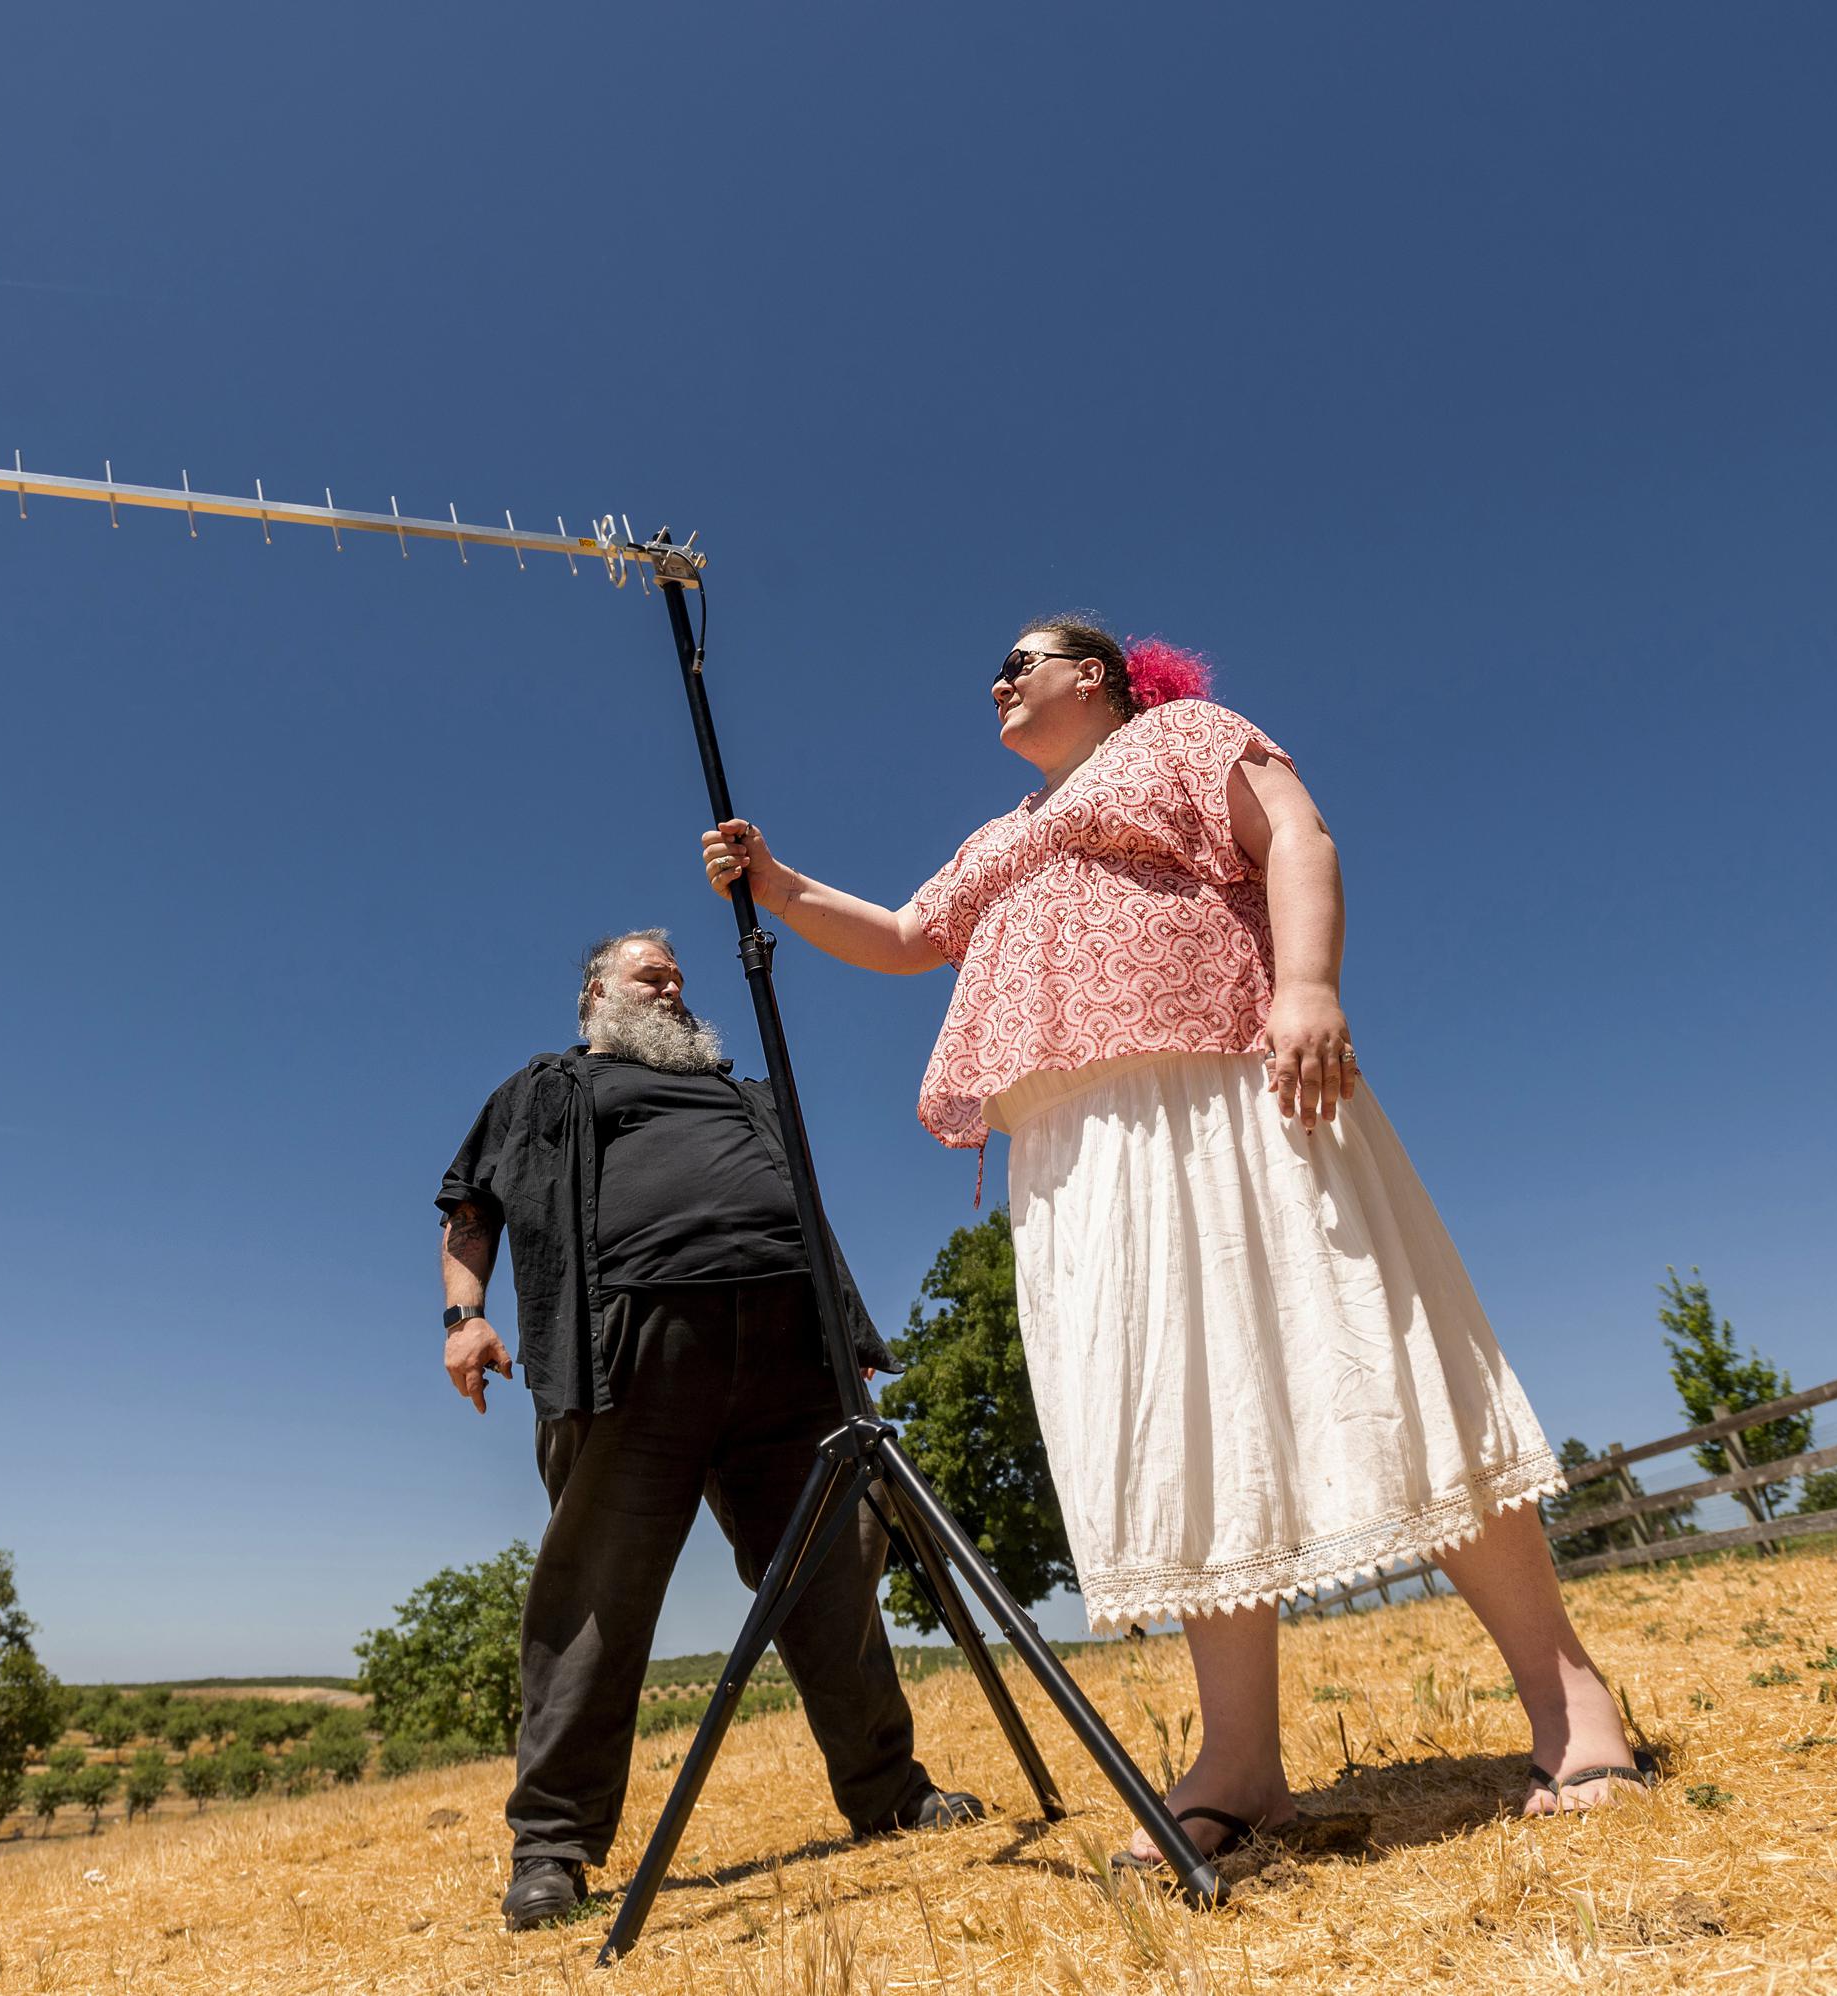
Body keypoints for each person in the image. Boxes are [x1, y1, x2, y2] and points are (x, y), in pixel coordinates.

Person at [699, 616, 1654, 1867]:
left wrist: (1307, 986)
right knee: (1169, 1417)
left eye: (1020, 662)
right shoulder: (996, 839)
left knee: (1363, 1346)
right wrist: (774, 882)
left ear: (1093, 677)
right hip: (1072, 1149)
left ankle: (1568, 1698)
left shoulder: (1187, 737)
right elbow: (900, 939)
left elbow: (1296, 836)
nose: (996, 681)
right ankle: (1242, 1761)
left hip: (1227, 1085)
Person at [436, 929, 983, 1930]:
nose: (676, 983)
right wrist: (463, 1317)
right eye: (654, 971)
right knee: (595, 1596)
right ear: (599, 993)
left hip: (792, 1359)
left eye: (680, 973)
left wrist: (846, 1328)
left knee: (835, 1576)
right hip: (632, 1361)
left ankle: (888, 1793)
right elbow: (470, 1204)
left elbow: (806, 1211)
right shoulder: (551, 1088)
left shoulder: (743, 1092)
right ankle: (553, 1847)